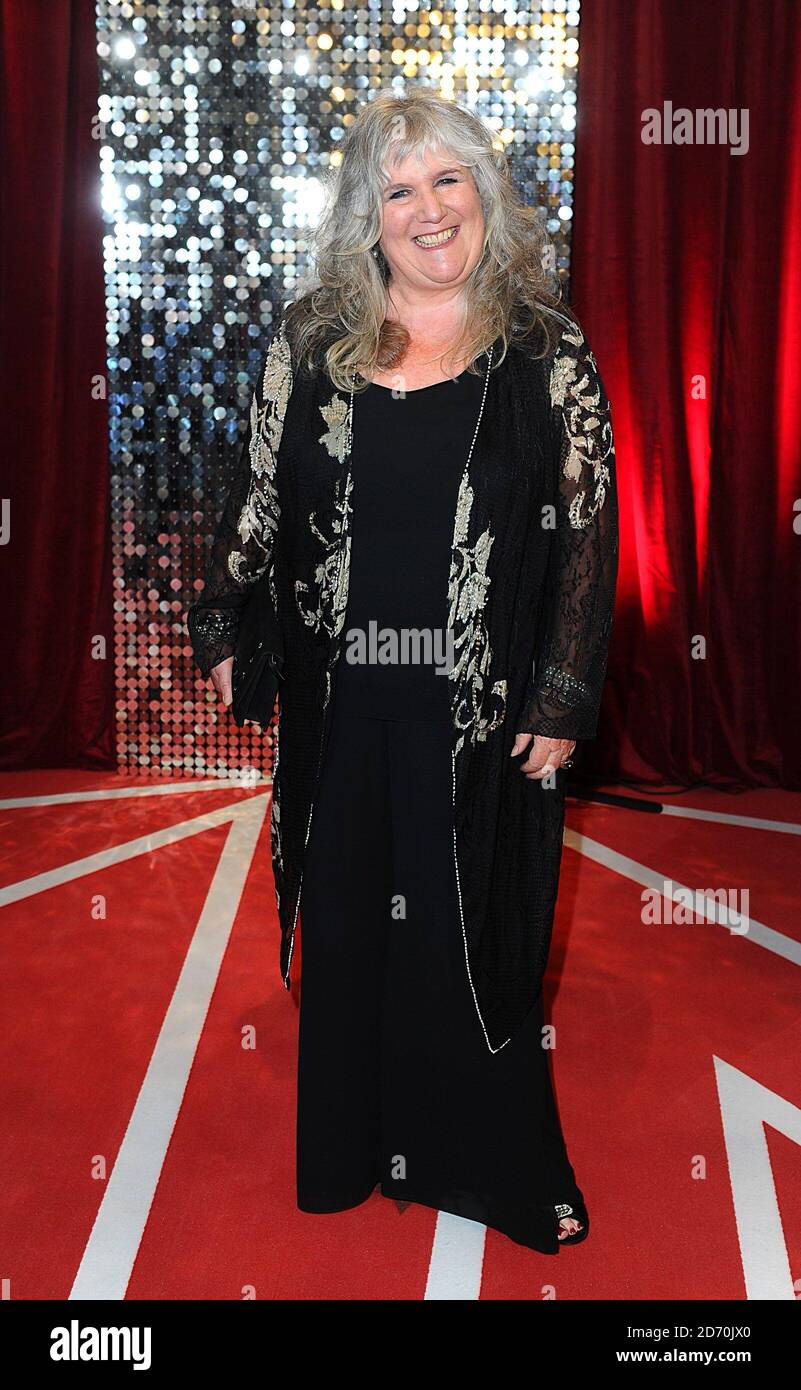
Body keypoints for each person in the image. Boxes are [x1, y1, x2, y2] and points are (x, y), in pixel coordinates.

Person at [187, 87, 619, 1253]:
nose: (429, 210)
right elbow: (260, 496)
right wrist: (228, 622)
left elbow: (587, 528)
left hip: (478, 709)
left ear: (483, 196)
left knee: (472, 933)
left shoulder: (546, 348)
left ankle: (484, 1162)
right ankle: (352, 1146)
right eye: (399, 189)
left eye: (448, 181)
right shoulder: (307, 341)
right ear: (366, 217)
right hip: (344, 702)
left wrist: (563, 689)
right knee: (353, 921)